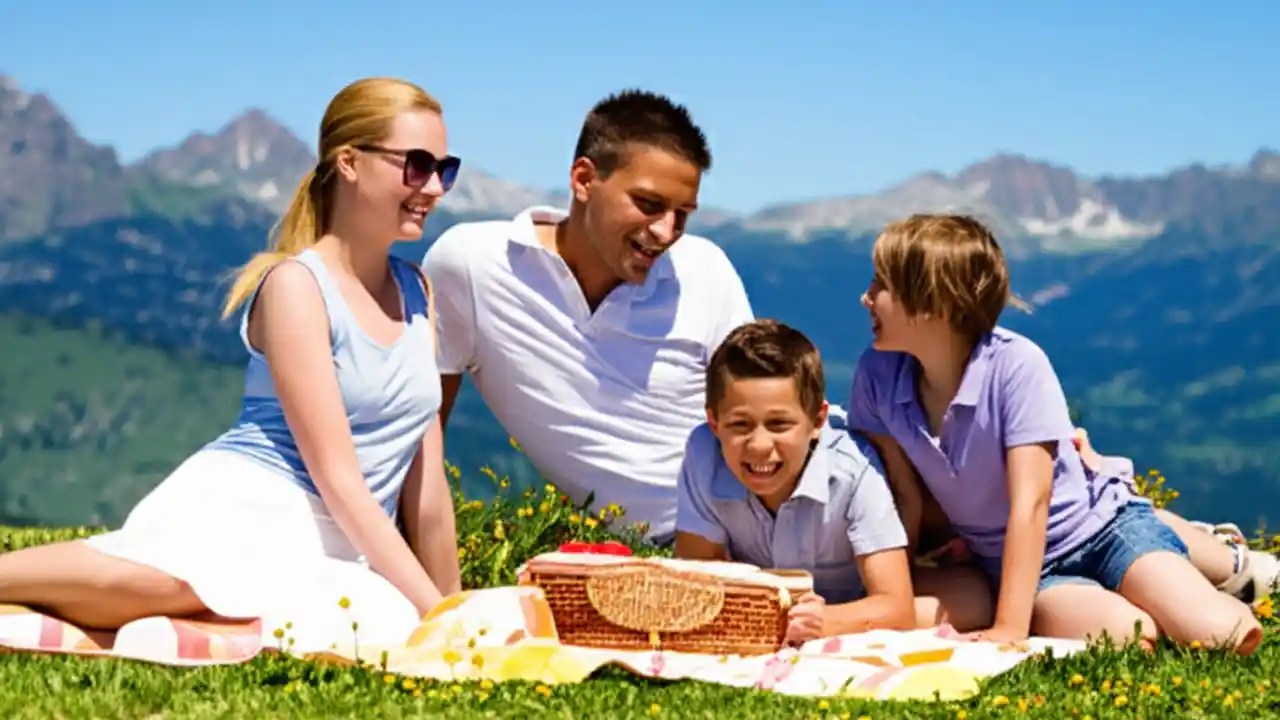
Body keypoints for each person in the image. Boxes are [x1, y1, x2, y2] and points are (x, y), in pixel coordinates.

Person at [0, 77, 462, 652]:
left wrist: (459, 619)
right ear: (349, 163)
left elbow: (428, 489)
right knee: (175, 584)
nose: (435, 187)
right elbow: (339, 480)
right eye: (417, 165)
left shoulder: (419, 293)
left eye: (446, 168)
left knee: (357, 621)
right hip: (256, 504)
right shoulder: (297, 287)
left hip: (343, 543)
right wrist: (436, 616)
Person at [847, 213, 1262, 654]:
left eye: (881, 286)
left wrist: (1010, 627)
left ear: (934, 303)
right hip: (1022, 567)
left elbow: (1032, 502)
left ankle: (1199, 558)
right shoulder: (876, 376)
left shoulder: (1016, 365)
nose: (865, 298)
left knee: (1224, 636)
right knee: (1129, 638)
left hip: (1104, 531)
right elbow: (903, 496)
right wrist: (892, 589)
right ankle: (1155, 581)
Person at [422, 89, 752, 544]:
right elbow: (418, 429)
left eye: (683, 215)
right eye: (649, 204)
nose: (666, 232)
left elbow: (768, 408)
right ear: (583, 179)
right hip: (657, 553)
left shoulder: (705, 269)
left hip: (765, 525)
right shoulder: (471, 266)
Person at [674, 319, 993, 645]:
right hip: (772, 597)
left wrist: (827, 621)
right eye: (740, 425)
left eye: (779, 424)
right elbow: (700, 575)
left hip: (854, 596)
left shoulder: (854, 470)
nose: (759, 445)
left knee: (974, 600)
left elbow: (894, 605)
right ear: (713, 422)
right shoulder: (704, 455)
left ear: (817, 421)